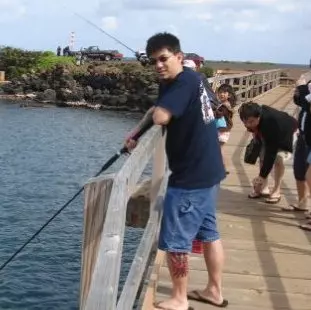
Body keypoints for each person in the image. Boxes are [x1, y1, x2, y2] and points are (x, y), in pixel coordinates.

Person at [125, 32, 227, 310]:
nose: (158, 65)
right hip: (210, 171)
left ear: (179, 57)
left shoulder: (181, 83)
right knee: (209, 234)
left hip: (190, 178)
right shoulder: (194, 79)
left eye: (163, 58)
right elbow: (156, 110)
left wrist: (157, 113)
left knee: (176, 242)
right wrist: (136, 132)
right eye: (153, 61)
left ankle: (180, 299)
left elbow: (161, 115)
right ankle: (214, 291)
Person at [239, 101, 297, 204]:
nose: (248, 125)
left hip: (286, 134)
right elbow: (256, 132)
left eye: (251, 122)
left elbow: (271, 153)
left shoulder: (271, 122)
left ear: (259, 116)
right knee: (262, 156)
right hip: (267, 134)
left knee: (278, 158)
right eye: (245, 122)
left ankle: (277, 189)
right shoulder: (252, 117)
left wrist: (261, 176)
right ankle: (263, 188)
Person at [282, 79, 311, 212]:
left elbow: (307, 100)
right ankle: (302, 203)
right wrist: (297, 92)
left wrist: (301, 87)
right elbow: (301, 101)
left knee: (309, 175)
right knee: (299, 170)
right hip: (303, 137)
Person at [214, 84, 237, 174]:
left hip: (222, 130)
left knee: (219, 149)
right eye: (220, 92)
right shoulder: (225, 104)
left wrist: (212, 111)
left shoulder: (225, 105)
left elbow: (219, 114)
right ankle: (221, 167)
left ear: (229, 95)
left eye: (224, 92)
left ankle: (223, 168)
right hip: (223, 130)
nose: (221, 94)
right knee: (219, 149)